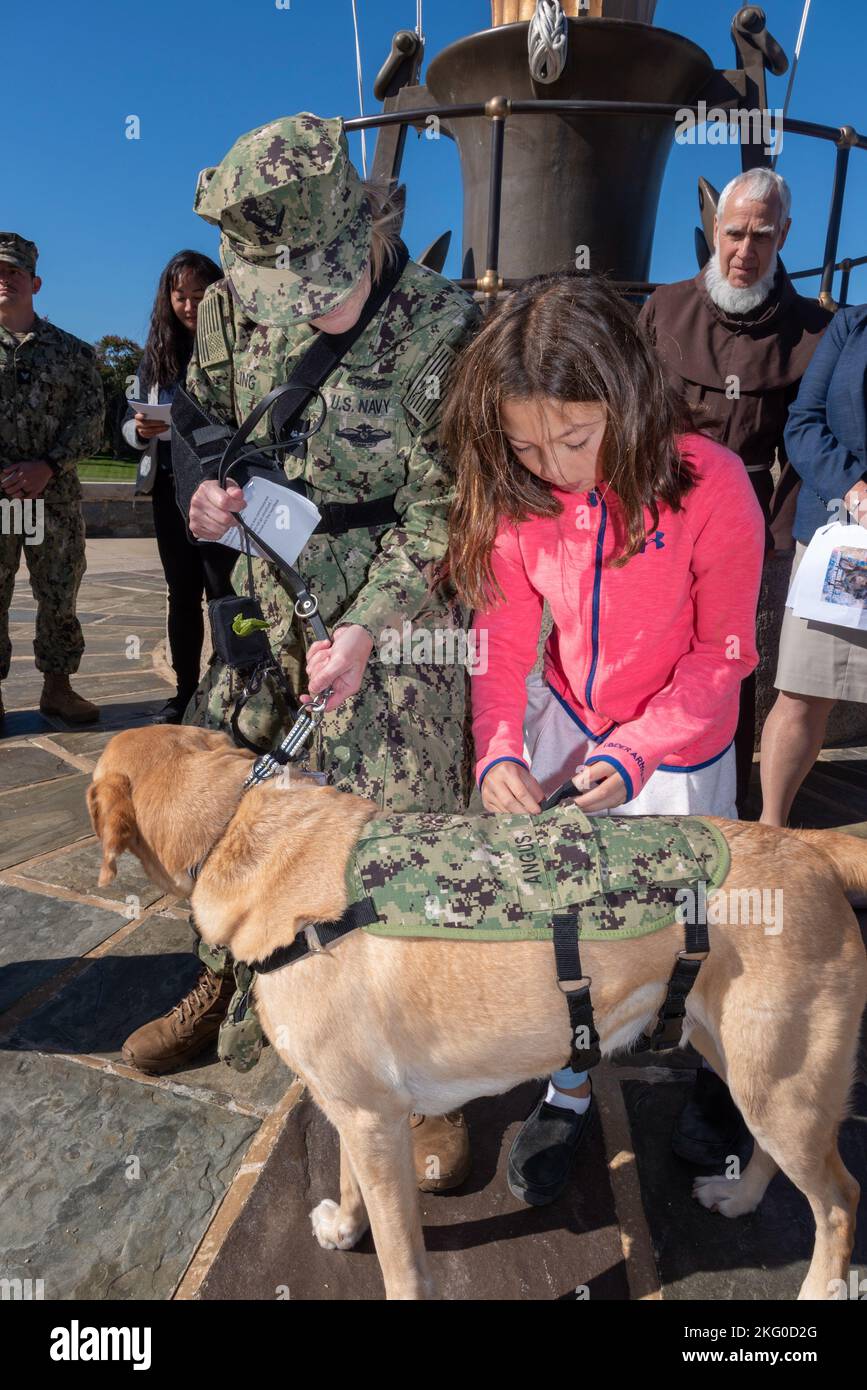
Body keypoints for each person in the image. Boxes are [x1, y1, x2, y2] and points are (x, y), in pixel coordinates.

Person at [121, 114, 480, 1193]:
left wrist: (370, 625)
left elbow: (448, 511)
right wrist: (205, 499)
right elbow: (205, 425)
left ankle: (429, 1075)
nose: (302, 310)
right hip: (271, 604)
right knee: (239, 822)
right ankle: (227, 985)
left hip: (397, 618)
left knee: (405, 842)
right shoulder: (232, 305)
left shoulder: (446, 325)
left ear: (356, 231)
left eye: (319, 287)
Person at [442, 272, 765, 1203]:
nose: (554, 466)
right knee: (563, 920)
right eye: (525, 444)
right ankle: (570, 1079)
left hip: (677, 738)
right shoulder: (519, 496)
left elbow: (722, 659)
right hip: (569, 722)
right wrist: (498, 744)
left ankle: (720, 1077)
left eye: (576, 438)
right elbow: (501, 644)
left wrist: (639, 750)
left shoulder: (712, 485)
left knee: (698, 930)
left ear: (623, 399)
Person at [638, 168, 831, 812]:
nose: (745, 251)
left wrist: (781, 540)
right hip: (657, 510)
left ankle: (720, 809)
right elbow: (628, 415)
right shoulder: (665, 307)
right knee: (646, 654)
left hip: (741, 521)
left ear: (785, 237)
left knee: (726, 666)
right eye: (735, 233)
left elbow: (803, 443)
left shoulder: (808, 332)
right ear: (715, 228)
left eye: (763, 237)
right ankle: (639, 794)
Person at [761, 303, 867, 825]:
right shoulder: (853, 324)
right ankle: (771, 829)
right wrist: (853, 485)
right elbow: (802, 423)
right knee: (803, 691)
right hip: (845, 542)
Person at [122, 250, 236, 723]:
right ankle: (186, 689)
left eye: (199, 295)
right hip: (168, 489)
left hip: (218, 489)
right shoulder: (155, 355)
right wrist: (138, 429)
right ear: (167, 300)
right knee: (181, 592)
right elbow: (125, 420)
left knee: (223, 590)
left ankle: (232, 683)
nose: (189, 306)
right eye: (180, 297)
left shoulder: (235, 345)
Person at [0, 232, 104, 727]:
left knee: (59, 593)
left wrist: (48, 466)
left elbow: (91, 421)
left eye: (14, 272)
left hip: (52, 499)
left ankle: (58, 688)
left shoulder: (73, 354)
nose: (5, 279)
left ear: (35, 282)